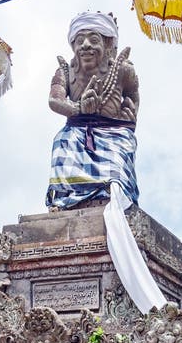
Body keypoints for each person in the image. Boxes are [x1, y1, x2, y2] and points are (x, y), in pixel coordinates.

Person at [46, 11, 140, 210]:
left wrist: (131, 115)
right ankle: (65, 199)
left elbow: (132, 92)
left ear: (107, 46)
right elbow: (55, 100)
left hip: (114, 131)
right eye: (80, 40)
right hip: (77, 130)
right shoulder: (65, 72)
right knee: (62, 141)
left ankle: (112, 196)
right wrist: (78, 108)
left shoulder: (123, 70)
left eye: (93, 39)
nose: (86, 45)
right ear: (73, 46)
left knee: (121, 152)